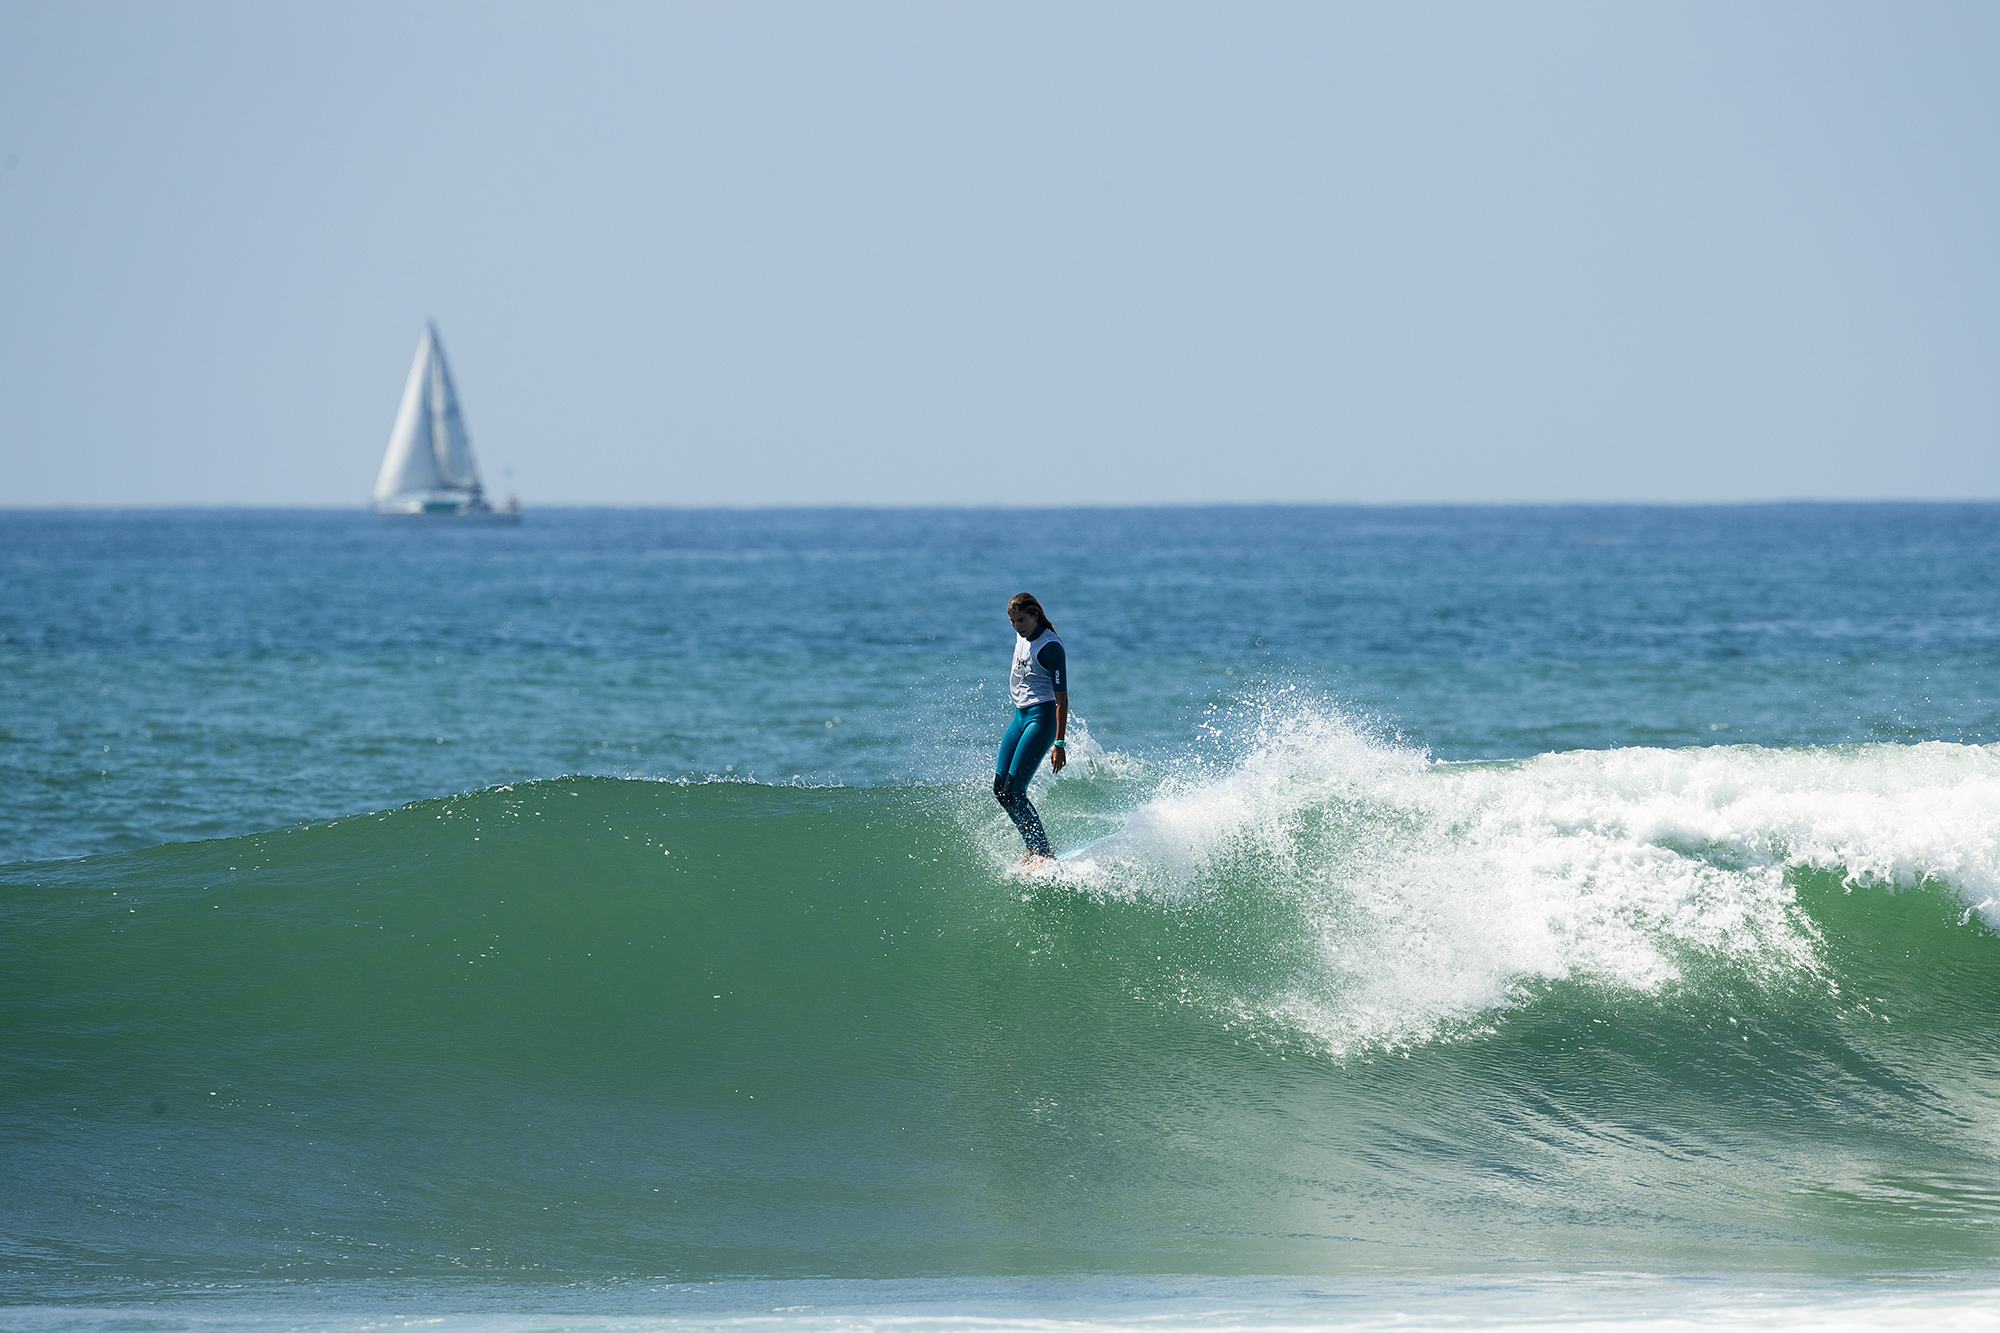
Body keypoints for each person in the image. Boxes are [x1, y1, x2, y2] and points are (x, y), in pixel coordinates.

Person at [993, 592, 1068, 863]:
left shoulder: (1050, 647)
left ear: (1036, 615)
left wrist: (1059, 744)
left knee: (1015, 789)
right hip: (1020, 716)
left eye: (1022, 620)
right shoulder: (1022, 634)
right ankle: (1032, 847)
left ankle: (1044, 852)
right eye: (1012, 621)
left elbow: (1062, 699)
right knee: (1001, 789)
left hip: (1042, 717)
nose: (1017, 627)